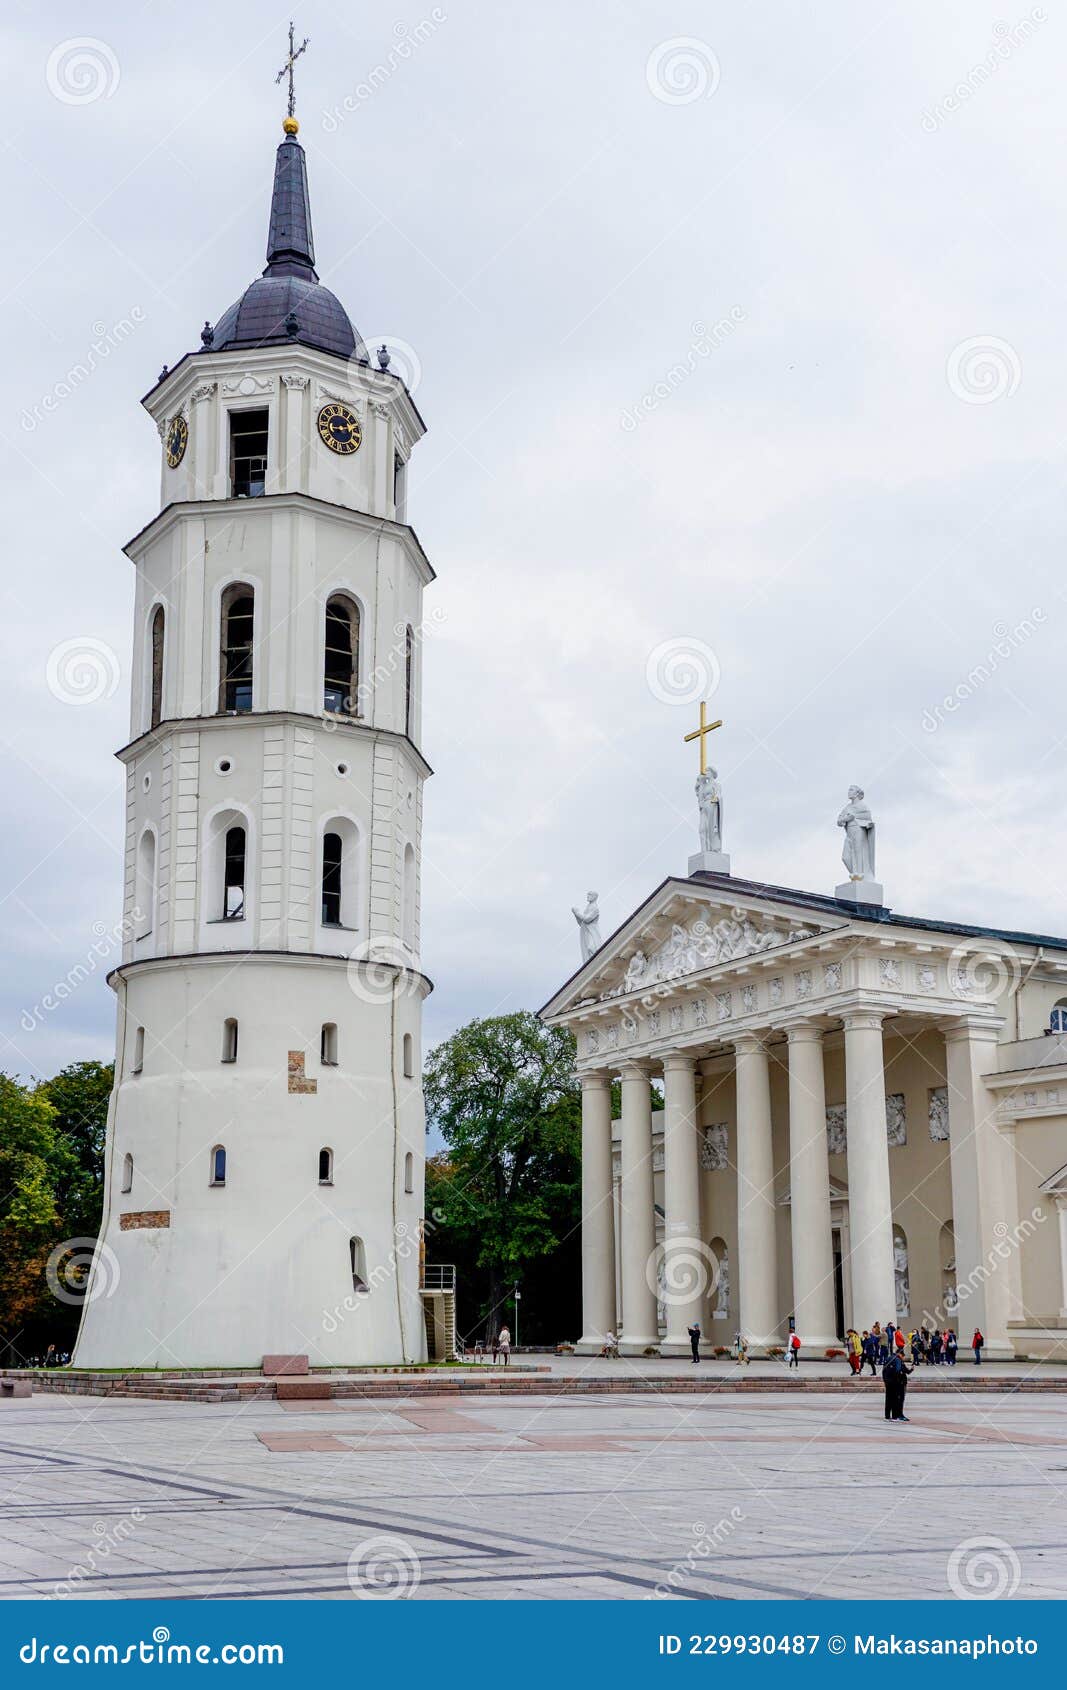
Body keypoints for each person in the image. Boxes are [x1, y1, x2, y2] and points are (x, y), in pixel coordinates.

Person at [882, 1347, 913, 1422]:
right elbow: (898, 1371)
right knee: (896, 1399)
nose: (903, 1358)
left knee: (888, 1399)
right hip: (896, 1383)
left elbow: (883, 1370)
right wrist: (899, 1380)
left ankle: (887, 1416)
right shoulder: (898, 1360)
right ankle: (895, 1416)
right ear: (900, 1354)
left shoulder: (888, 1358)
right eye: (903, 1356)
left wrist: (885, 1380)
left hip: (888, 1382)